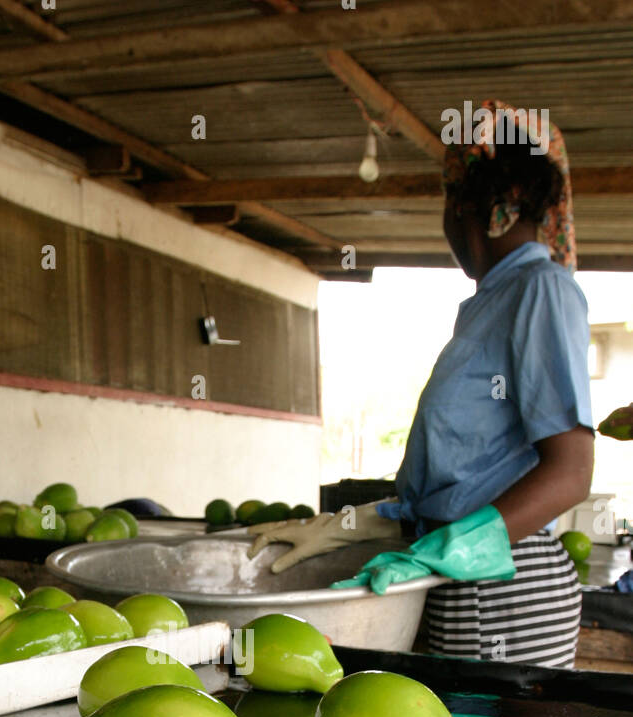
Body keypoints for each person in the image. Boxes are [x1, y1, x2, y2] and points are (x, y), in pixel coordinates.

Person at [248, 100, 594, 669]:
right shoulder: (492, 305)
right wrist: (343, 526)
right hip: (465, 576)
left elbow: (571, 473)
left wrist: (446, 552)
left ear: (476, 209)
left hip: (504, 585)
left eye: (449, 203)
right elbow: (456, 483)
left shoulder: (540, 292)